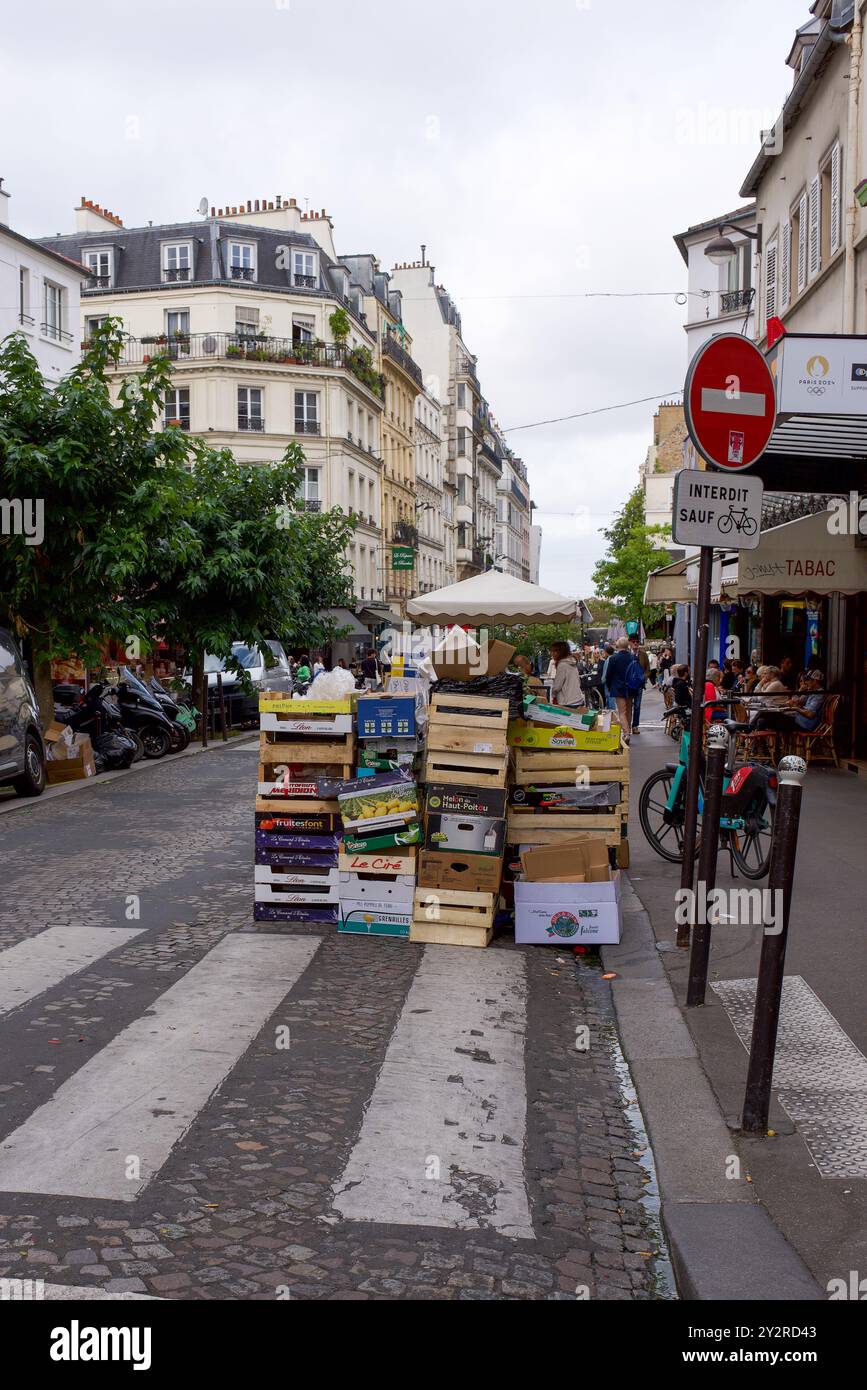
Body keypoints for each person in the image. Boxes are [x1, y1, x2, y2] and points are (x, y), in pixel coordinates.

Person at [751, 671, 826, 735]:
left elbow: (810, 714)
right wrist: (799, 692)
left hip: (804, 725)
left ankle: (750, 728)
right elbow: (795, 701)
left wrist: (796, 708)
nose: (805, 682)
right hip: (797, 720)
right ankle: (762, 748)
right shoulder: (812, 692)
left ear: (815, 681)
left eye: (808, 680)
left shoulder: (819, 694)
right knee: (762, 721)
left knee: (767, 713)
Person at [605, 637, 637, 743]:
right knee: (628, 710)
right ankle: (628, 731)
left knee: (621, 712)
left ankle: (626, 733)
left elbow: (608, 676)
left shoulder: (613, 658)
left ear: (618, 646)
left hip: (618, 688)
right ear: (627, 646)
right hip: (631, 688)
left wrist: (610, 687)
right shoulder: (633, 657)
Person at [550, 642, 586, 709]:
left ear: (560, 652)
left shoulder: (562, 665)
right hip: (578, 699)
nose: (552, 653)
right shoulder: (572, 662)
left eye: (554, 651)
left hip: (567, 702)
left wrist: (553, 694)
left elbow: (557, 686)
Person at [627, 634, 649, 734]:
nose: (635, 643)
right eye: (633, 642)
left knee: (637, 706)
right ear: (629, 643)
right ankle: (627, 726)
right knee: (628, 706)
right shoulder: (627, 655)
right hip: (628, 685)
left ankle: (635, 726)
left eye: (637, 642)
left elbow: (648, 669)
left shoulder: (643, 655)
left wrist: (643, 677)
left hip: (639, 685)